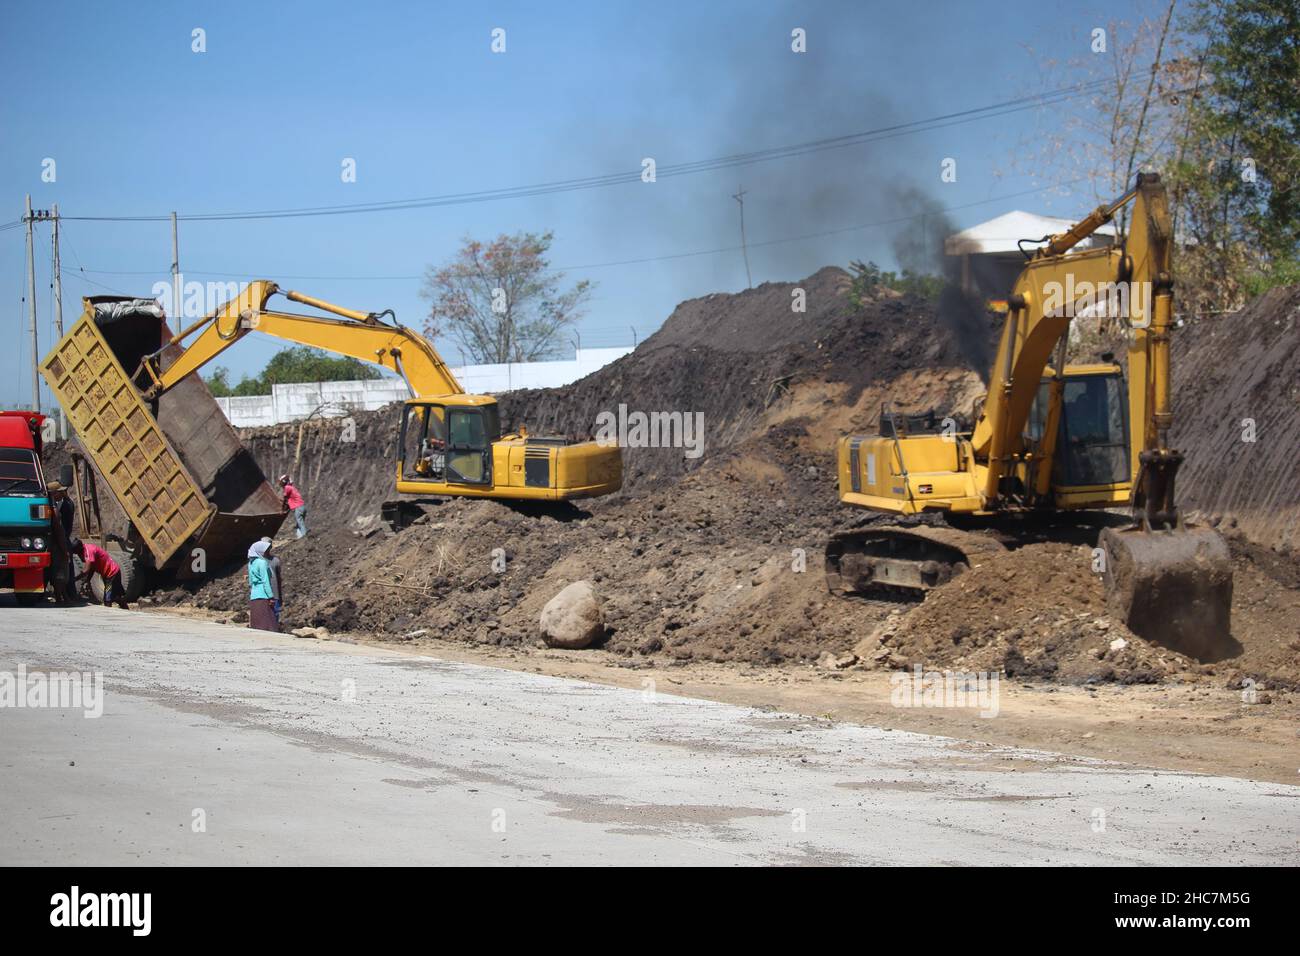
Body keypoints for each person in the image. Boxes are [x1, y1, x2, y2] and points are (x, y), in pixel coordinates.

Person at [70, 537, 129, 609]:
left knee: (107, 598)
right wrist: (88, 580)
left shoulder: (89, 551)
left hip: (111, 573)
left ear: (79, 548)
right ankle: (126, 609)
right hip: (108, 574)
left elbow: (86, 570)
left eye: (75, 551)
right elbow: (92, 567)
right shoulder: (82, 551)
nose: (75, 554)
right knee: (117, 596)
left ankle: (108, 615)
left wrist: (75, 579)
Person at [247, 540, 279, 632]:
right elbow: (265, 581)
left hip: (254, 596)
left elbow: (250, 582)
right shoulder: (262, 563)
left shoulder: (251, 563)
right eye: (265, 550)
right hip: (264, 596)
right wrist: (271, 597)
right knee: (268, 624)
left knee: (257, 624)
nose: (267, 552)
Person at [260, 535, 283, 622]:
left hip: (274, 593)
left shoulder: (275, 561)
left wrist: (280, 596)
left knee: (274, 616)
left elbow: (279, 579)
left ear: (270, 547)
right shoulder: (257, 561)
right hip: (262, 594)